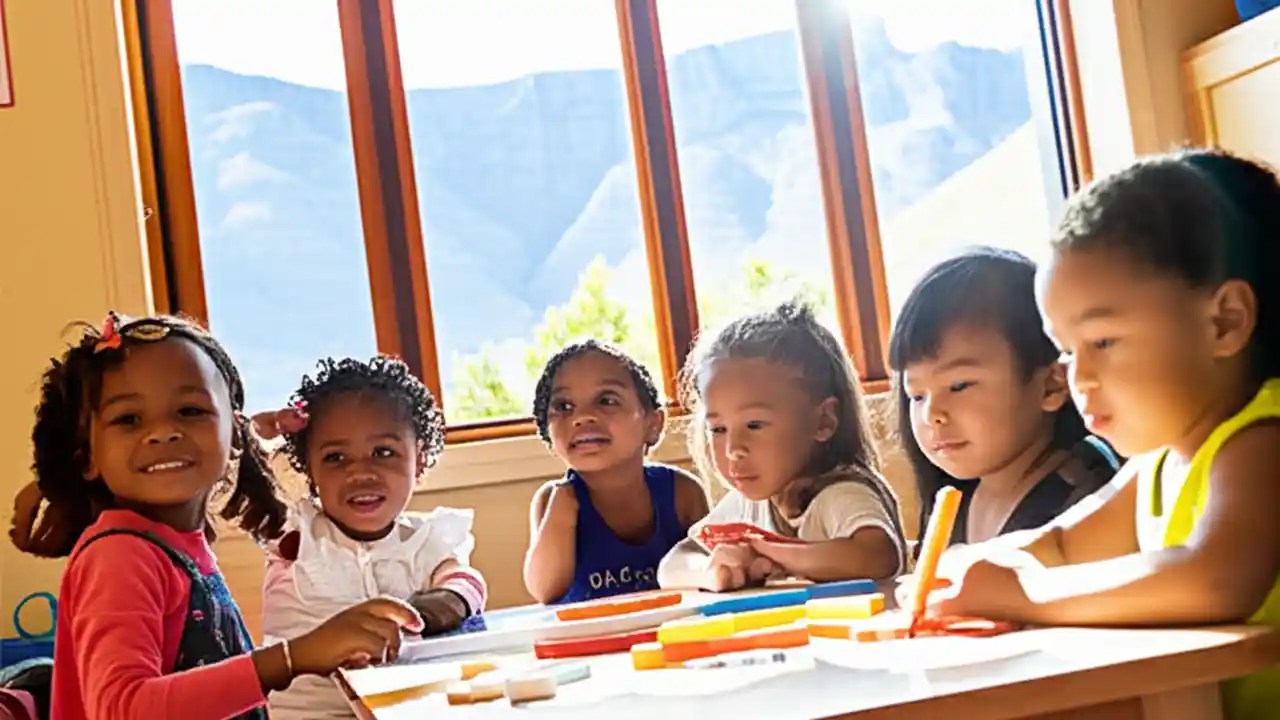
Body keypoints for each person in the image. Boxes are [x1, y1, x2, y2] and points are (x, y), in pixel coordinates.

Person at [920, 150, 1280, 720]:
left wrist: (1026, 595)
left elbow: (1215, 578)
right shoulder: (1161, 460)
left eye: (1103, 342)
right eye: (1065, 349)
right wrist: (961, 568)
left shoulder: (1262, 440)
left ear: (1224, 322)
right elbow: (1063, 544)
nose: (1077, 376)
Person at [8, 313, 422, 720]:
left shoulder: (173, 544)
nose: (163, 432)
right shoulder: (119, 557)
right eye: (128, 419)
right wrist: (292, 658)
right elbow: (123, 709)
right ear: (88, 455)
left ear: (235, 436)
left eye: (189, 410)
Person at [255, 356, 486, 719]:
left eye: (383, 452)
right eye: (335, 458)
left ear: (419, 461)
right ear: (309, 469)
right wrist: (251, 434)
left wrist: (440, 604)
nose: (360, 472)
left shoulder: (425, 540)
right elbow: (218, 482)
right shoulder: (293, 533)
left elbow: (465, 582)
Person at [658, 301, 907, 591]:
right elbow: (672, 564)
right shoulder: (748, 504)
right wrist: (714, 570)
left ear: (823, 421)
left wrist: (767, 552)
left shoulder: (841, 492)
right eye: (718, 429)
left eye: (754, 425)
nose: (733, 449)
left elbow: (878, 557)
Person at [889, 247, 1119, 556]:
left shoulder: (1089, 496)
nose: (932, 415)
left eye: (959, 385)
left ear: (1051, 385)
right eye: (917, 396)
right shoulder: (957, 498)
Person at [523, 340, 708, 604]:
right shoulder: (552, 500)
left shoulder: (683, 493)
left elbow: (711, 574)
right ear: (547, 434)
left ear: (653, 424)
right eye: (564, 406)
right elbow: (546, 591)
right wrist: (562, 514)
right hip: (589, 642)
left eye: (606, 400)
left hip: (674, 635)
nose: (582, 417)